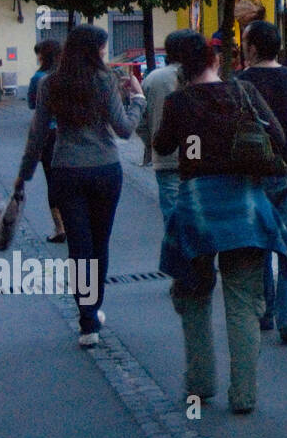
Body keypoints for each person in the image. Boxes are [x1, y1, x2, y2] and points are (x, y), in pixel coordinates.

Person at [153, 32, 287, 413]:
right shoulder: (243, 93)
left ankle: (200, 383)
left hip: (196, 211)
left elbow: (162, 146)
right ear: (214, 60)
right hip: (245, 208)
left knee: (194, 298)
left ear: (182, 68)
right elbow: (277, 137)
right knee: (244, 303)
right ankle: (244, 395)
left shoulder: (179, 102)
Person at [15, 25, 146, 347]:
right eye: (102, 49)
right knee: (99, 245)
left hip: (66, 170)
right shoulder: (104, 81)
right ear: (93, 50)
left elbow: (37, 136)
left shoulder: (51, 83)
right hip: (104, 169)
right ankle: (93, 310)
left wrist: (24, 176)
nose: (104, 53)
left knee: (79, 248)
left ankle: (87, 319)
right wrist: (139, 100)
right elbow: (125, 130)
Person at [240, 20, 287, 345]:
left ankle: (263, 311)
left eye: (245, 42)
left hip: (255, 176)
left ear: (253, 47)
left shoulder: (241, 83)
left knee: (258, 246)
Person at [138, 30, 201, 226]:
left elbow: (141, 122)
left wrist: (151, 145)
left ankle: (178, 253)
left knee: (173, 218)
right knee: (198, 215)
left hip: (166, 158)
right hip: (198, 158)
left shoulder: (153, 79)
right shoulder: (202, 76)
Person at [27, 39, 65, 243]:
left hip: (48, 134)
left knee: (52, 180)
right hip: (68, 132)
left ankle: (59, 228)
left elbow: (32, 105)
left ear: (43, 55)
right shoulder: (69, 75)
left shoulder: (38, 78)